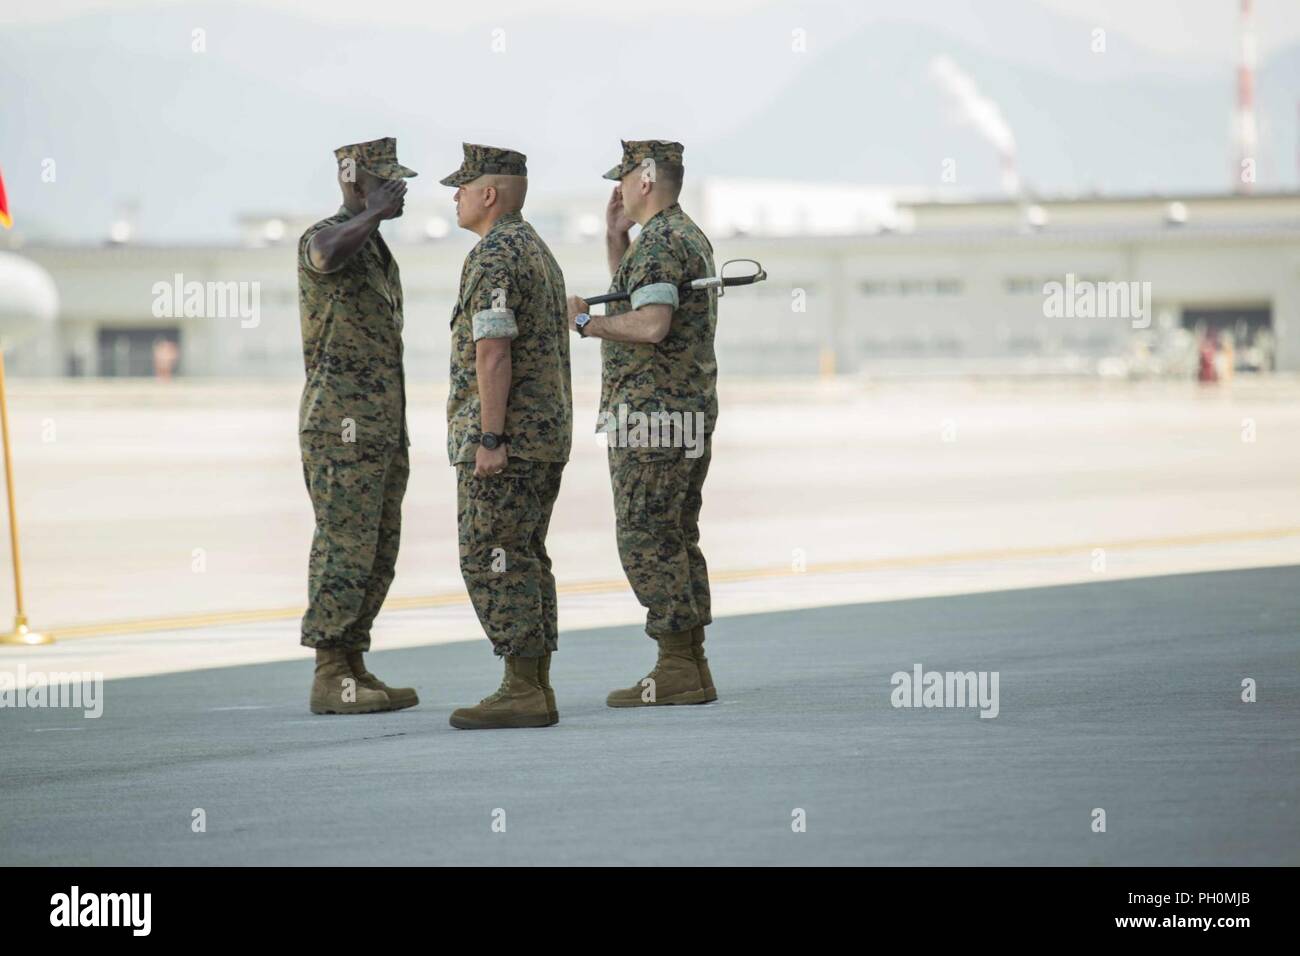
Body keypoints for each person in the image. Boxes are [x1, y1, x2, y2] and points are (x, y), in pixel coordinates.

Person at [566, 140, 719, 708]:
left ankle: (677, 663)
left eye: (625, 178)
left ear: (647, 178)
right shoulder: (679, 237)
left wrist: (584, 322)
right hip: (680, 413)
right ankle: (689, 664)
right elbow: (645, 304)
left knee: (646, 535)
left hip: (654, 419)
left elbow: (652, 324)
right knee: (675, 534)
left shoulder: (662, 243)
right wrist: (615, 242)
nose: (619, 190)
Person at [441, 143, 573, 729]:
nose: (456, 197)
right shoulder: (537, 250)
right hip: (543, 436)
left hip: (510, 440)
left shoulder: (494, 256)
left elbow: (492, 351)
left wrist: (490, 438)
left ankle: (522, 687)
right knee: (524, 554)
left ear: (487, 194)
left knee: (491, 555)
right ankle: (534, 684)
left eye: (463, 187)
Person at [297, 137, 419, 715]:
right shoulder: (327, 235)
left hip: (381, 429)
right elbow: (323, 255)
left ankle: (353, 663)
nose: (397, 191)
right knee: (344, 546)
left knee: (378, 549)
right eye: (383, 181)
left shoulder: (375, 249)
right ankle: (329, 672)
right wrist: (370, 213)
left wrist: (373, 218)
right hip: (339, 426)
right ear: (352, 178)